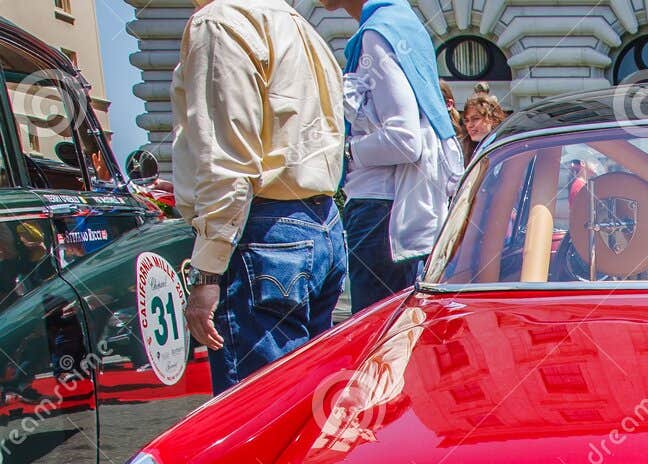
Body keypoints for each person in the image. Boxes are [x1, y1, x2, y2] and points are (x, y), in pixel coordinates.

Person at [172, 0, 346, 394]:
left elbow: (228, 160)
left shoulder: (220, 21)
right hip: (319, 222)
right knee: (301, 405)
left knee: (258, 414)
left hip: (264, 232)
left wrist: (207, 271)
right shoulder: (297, 25)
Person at [324, 0, 463, 313]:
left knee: (380, 346)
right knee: (400, 340)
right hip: (398, 213)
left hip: (381, 215)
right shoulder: (398, 24)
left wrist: (346, 151)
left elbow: (403, 140)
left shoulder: (378, 33)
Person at [461, 84, 507, 166]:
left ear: (493, 119)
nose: (469, 125)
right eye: (467, 120)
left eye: (475, 119)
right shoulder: (467, 151)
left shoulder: (504, 148)